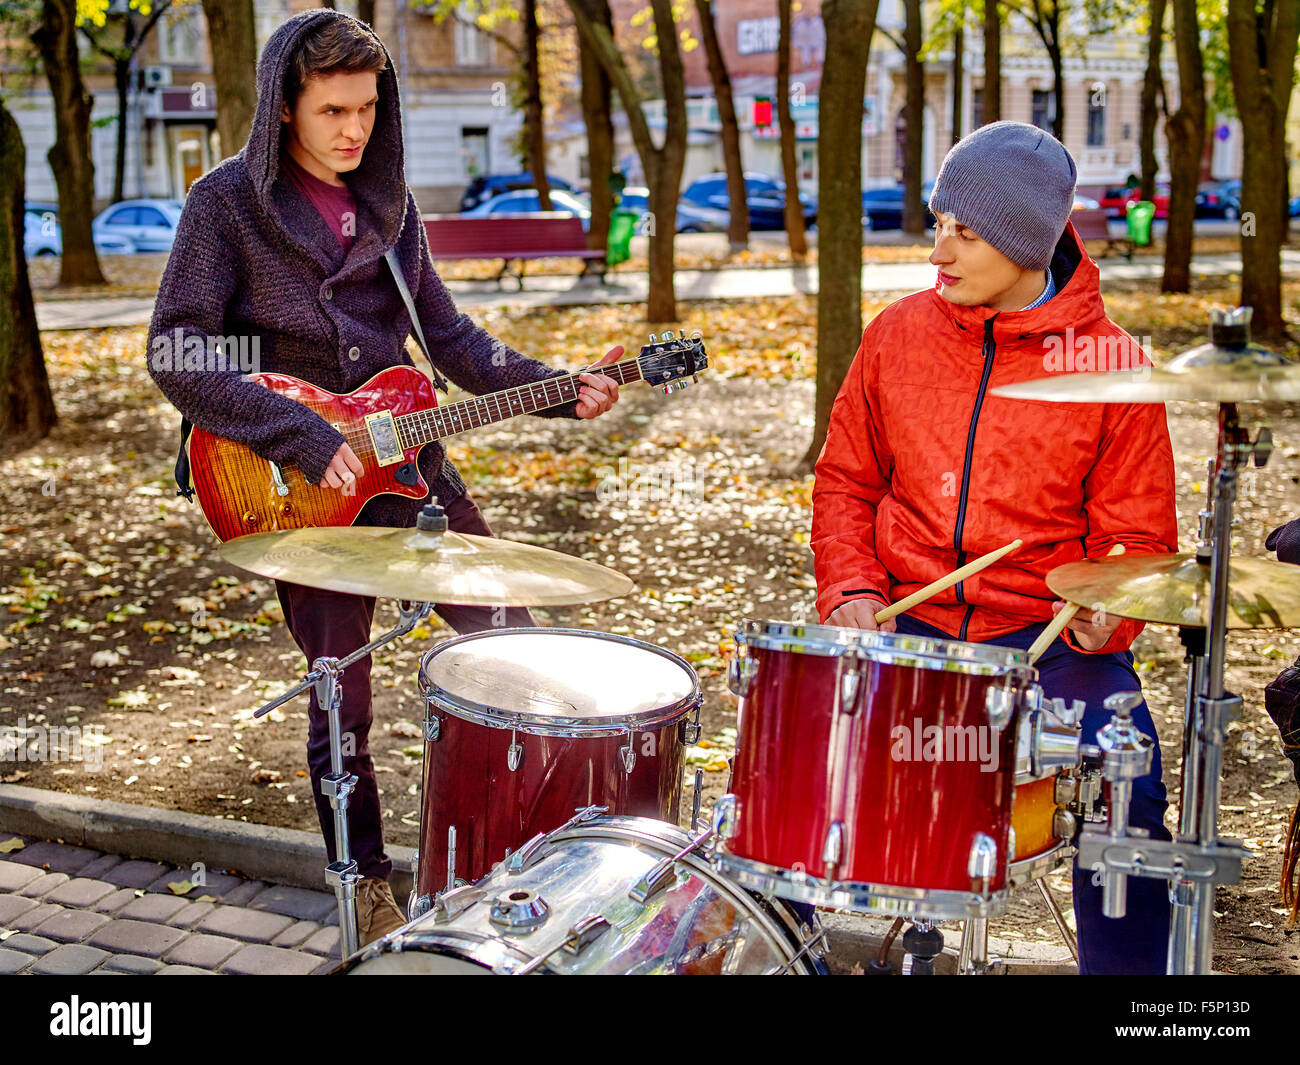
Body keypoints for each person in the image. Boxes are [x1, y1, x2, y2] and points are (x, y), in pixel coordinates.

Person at [147, 10, 621, 944]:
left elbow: (451, 340)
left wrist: (565, 391)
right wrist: (296, 431)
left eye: (367, 108)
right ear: (285, 107)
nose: (353, 129)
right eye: (332, 110)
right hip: (292, 482)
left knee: (514, 654)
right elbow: (178, 349)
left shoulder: (389, 207)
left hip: (408, 466)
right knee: (343, 689)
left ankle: (526, 866)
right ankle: (362, 878)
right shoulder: (224, 205)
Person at [811, 121, 1178, 975]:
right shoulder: (894, 337)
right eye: (939, 220)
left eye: (964, 232)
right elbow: (845, 484)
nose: (937, 248)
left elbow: (1137, 541)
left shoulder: (1112, 366)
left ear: (1023, 242)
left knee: (1130, 787)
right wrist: (852, 588)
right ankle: (769, 951)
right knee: (790, 763)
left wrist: (1107, 615)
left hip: (1044, 647)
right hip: (909, 625)